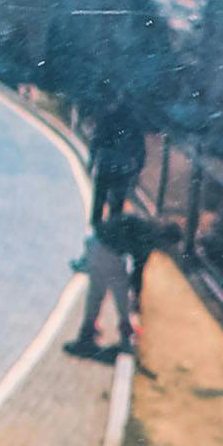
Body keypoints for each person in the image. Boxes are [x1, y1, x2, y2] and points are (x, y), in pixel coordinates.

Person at [73, 104, 158, 366]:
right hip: (110, 247)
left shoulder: (110, 117)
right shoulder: (148, 237)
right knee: (119, 290)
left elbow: (98, 139)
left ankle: (88, 330)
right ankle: (124, 332)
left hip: (109, 169)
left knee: (97, 290)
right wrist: (137, 299)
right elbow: (137, 272)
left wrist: (92, 160)